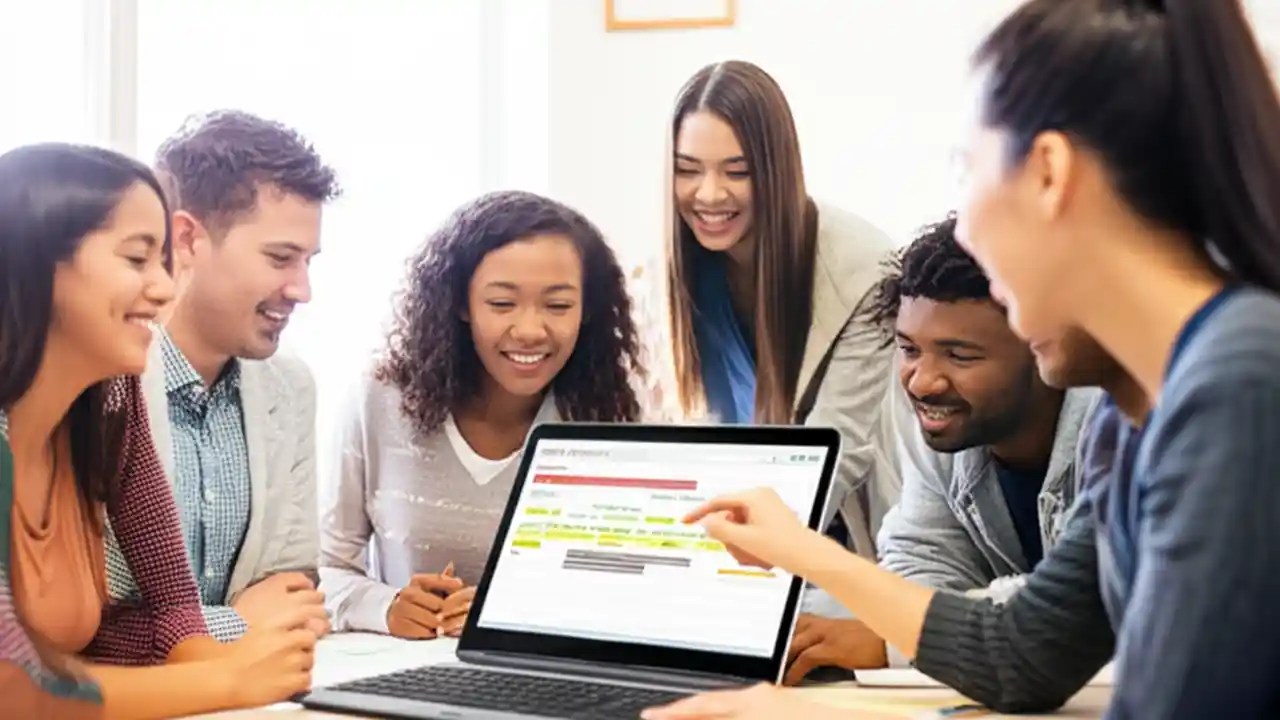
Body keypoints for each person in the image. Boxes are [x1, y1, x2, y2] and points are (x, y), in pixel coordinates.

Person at [644, 1, 1280, 717]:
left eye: (966, 169)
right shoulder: (1135, 417)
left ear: (1047, 173)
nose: (964, 229)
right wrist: (807, 701)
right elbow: (1022, 654)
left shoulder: (1240, 387)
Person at [0, 143, 322, 717]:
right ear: (36, 263)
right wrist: (230, 682)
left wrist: (236, 669)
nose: (167, 289)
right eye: (136, 259)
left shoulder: (109, 404)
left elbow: (175, 609)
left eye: (163, 260)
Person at [320, 190, 644, 639]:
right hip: (397, 676)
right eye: (501, 304)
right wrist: (385, 607)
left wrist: (513, 610)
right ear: (459, 303)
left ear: (587, 310)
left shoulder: (612, 416)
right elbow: (326, 567)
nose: (530, 330)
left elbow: (633, 588)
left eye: (557, 305)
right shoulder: (378, 401)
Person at [787, 216, 1101, 681]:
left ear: (1042, 344)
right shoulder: (943, 424)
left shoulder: (1115, 425)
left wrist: (898, 638)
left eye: (960, 355)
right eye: (909, 349)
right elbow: (918, 563)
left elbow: (1080, 610)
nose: (923, 381)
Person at [635, 59, 899, 559]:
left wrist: (753, 543)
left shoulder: (865, 268)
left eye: (737, 171)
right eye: (688, 170)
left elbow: (841, 449)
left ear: (777, 170)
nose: (708, 195)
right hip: (709, 539)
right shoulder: (663, 277)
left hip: (826, 541)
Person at [106, 110, 341, 641]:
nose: (302, 290)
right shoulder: (100, 381)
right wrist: (237, 622)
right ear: (186, 239)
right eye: (281, 258)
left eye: (309, 261)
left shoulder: (291, 387)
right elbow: (91, 619)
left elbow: (291, 592)